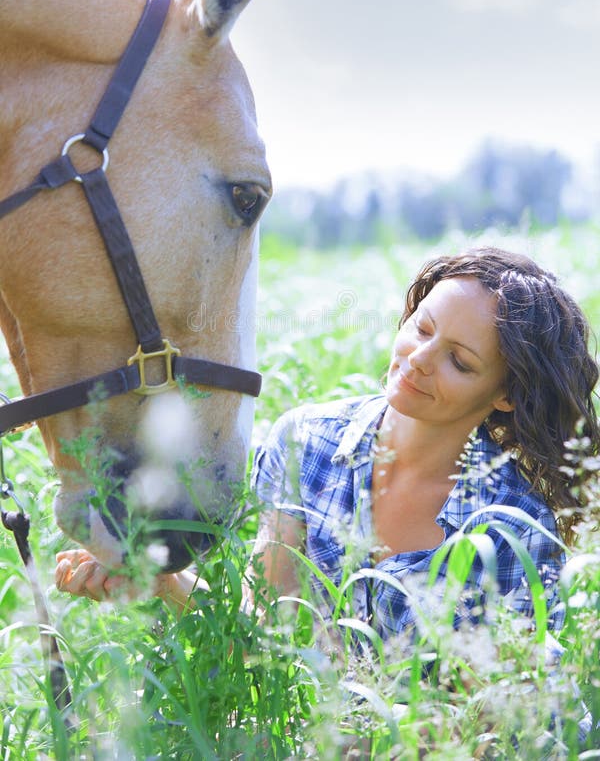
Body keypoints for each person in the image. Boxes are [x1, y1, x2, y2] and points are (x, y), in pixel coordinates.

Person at [55, 247, 599, 641]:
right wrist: (161, 578)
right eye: (423, 327)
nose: (418, 359)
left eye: (460, 361)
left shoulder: (509, 528)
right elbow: (268, 633)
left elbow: (489, 726)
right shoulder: (306, 444)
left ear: (504, 394)